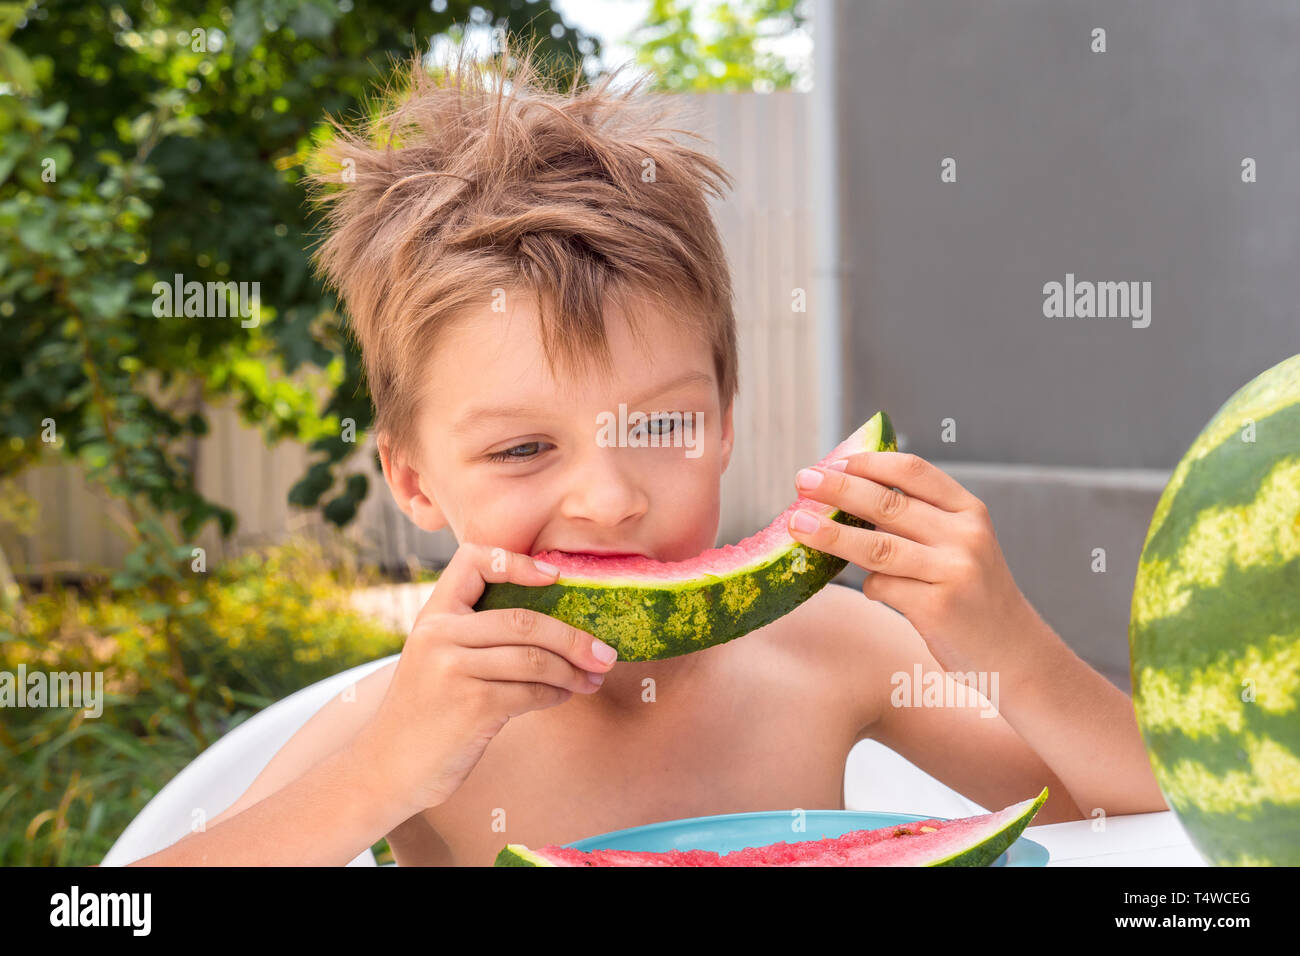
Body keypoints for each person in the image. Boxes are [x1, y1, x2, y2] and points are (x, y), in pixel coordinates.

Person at [131, 33, 1165, 866]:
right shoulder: (394, 718)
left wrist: (1011, 648)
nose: (611, 497)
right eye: (524, 447)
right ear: (412, 479)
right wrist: (385, 774)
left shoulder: (832, 651)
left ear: (723, 421)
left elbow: (1157, 823)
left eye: (660, 426)